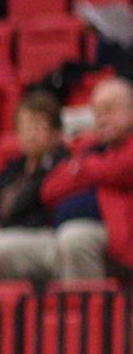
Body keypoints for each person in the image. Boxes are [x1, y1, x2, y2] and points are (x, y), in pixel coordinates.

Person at [0, 92, 103, 285]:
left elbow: (46, 213)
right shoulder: (14, 167)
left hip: (40, 234)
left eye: (37, 126)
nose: (29, 134)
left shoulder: (63, 166)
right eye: (24, 127)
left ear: (56, 132)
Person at [40, 77, 133, 280]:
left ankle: (88, 311)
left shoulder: (91, 153)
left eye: (109, 110)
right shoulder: (89, 146)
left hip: (123, 234)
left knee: (75, 239)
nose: (102, 119)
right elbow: (50, 190)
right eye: (97, 113)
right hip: (98, 227)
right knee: (0, 249)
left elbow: (122, 169)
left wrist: (80, 169)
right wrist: (91, 171)